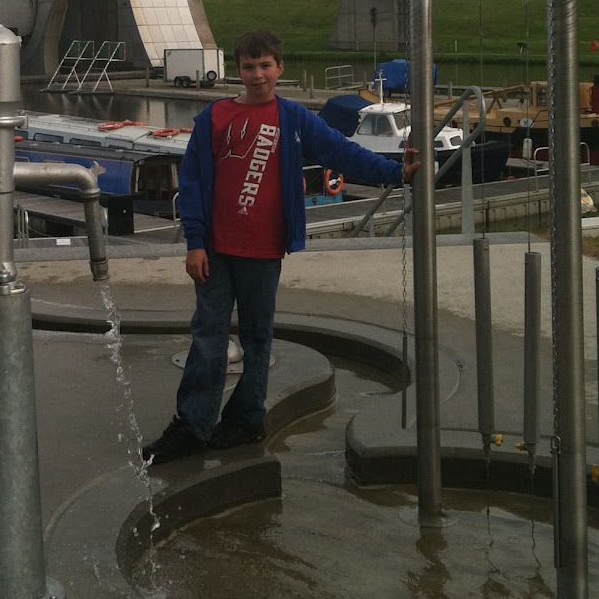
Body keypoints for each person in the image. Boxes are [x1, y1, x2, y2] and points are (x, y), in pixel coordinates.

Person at [143, 29, 406, 464]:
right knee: (207, 338)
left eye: (266, 65)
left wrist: (396, 173)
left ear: (280, 69)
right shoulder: (214, 118)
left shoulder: (293, 118)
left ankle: (247, 419)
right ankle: (192, 425)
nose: (258, 74)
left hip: (264, 251)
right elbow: (189, 183)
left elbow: (343, 152)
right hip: (215, 250)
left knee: (257, 340)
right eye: (249, 66)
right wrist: (194, 243)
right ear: (238, 70)